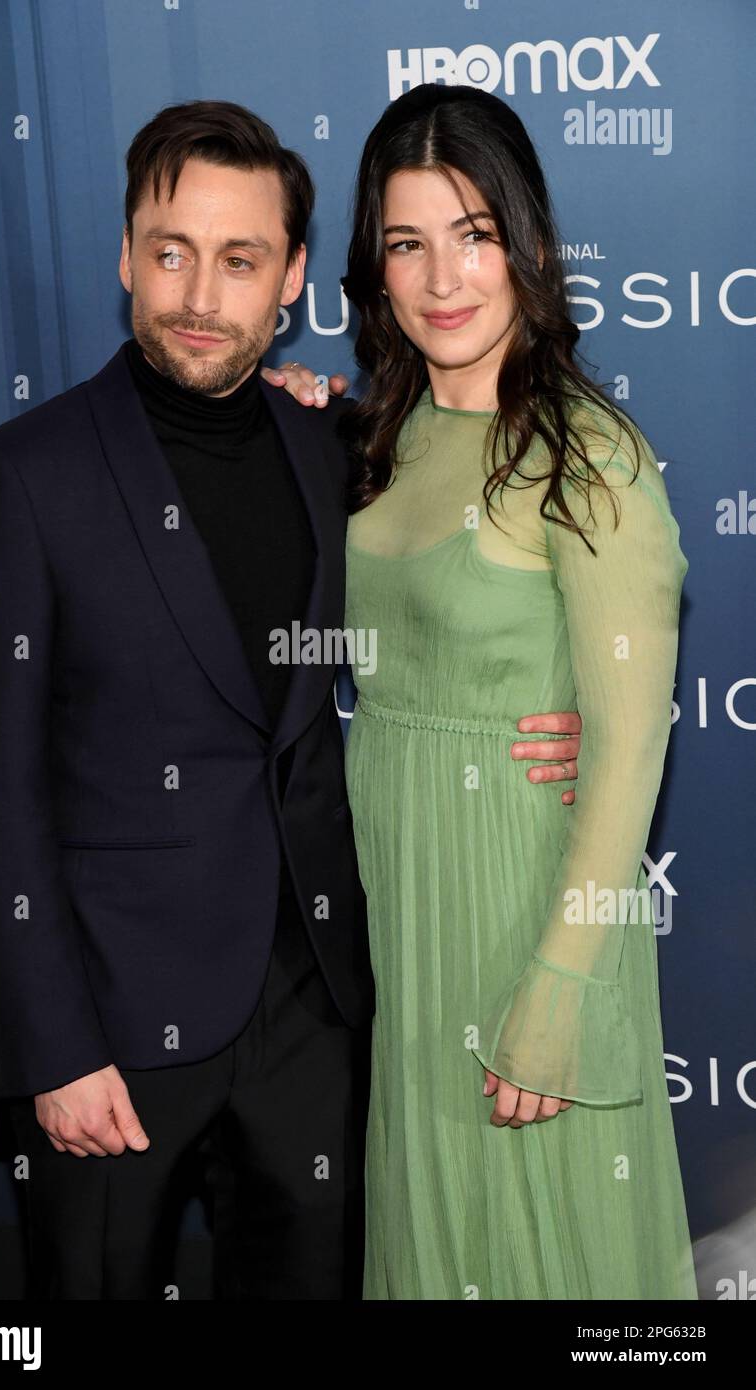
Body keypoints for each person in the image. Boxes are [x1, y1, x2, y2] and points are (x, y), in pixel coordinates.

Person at [0, 99, 583, 1301]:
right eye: (170, 252)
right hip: (109, 1024)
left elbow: (455, 613)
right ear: (125, 255)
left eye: (238, 260)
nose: (198, 294)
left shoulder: (333, 447)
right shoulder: (23, 475)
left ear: (288, 280)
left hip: (313, 1011)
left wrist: (566, 714)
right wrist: (54, 1047)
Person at [264, 83, 698, 1300]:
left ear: (527, 245)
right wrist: (286, 416)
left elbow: (625, 755)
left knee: (545, 1251)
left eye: (473, 233)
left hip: (519, 898)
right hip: (401, 909)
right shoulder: (374, 437)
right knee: (433, 1232)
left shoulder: (586, 456)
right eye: (406, 243)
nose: (441, 278)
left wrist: (556, 993)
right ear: (374, 266)